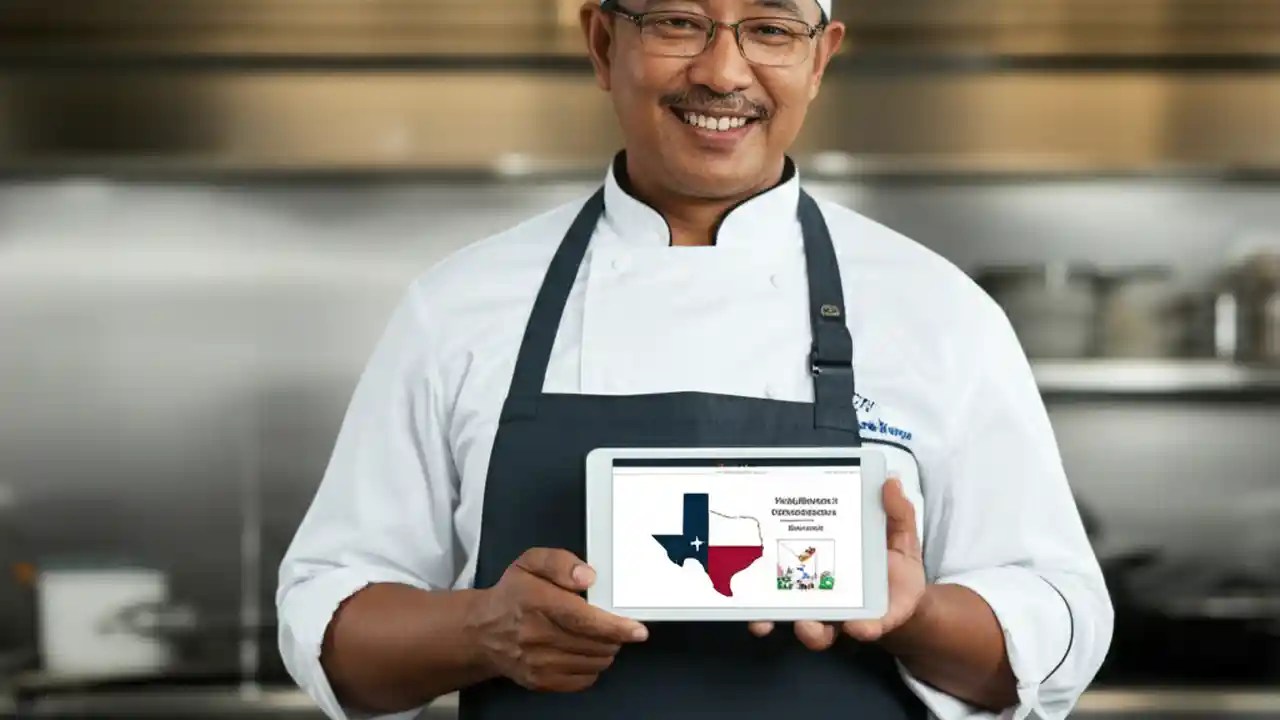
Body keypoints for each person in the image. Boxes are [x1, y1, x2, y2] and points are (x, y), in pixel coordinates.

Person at [276, 0, 1114, 718]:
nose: (722, 72)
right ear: (603, 42)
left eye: (770, 29)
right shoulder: (458, 307)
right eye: (679, 22)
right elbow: (331, 624)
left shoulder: (941, 312)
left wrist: (914, 614)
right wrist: (480, 631)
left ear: (820, 58)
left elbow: (1055, 630)